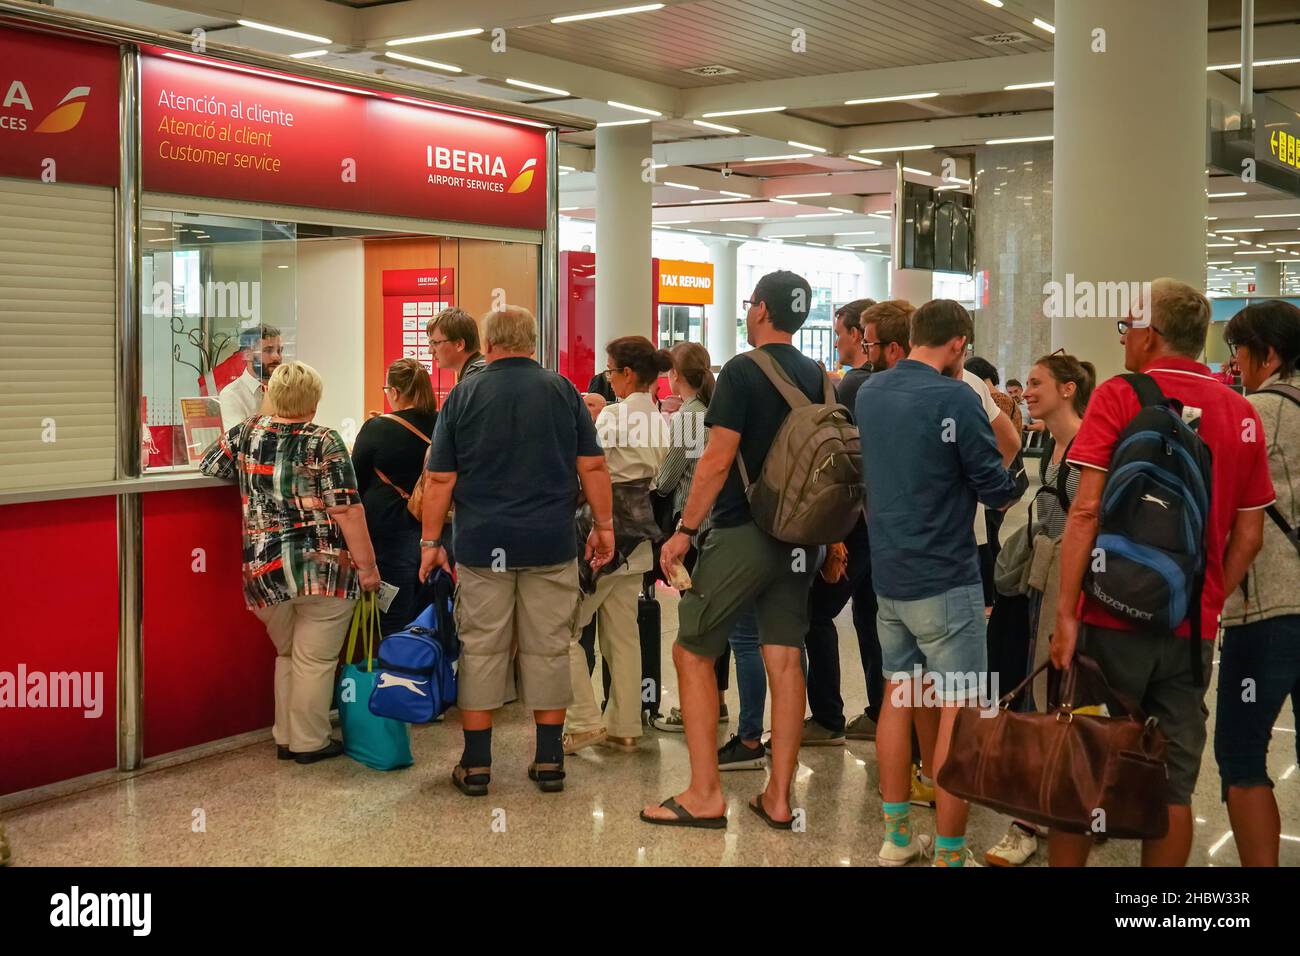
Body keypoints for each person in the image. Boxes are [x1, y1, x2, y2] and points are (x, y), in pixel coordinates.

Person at [1049, 279, 1274, 867]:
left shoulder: (1121, 395)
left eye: (1127, 326)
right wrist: (1206, 597)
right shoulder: (1242, 411)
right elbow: (1248, 533)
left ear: (1149, 333)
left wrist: (1066, 615)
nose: (1124, 338)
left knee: (1081, 770)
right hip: (1190, 629)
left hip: (1107, 614)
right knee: (1173, 784)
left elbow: (1086, 511)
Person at [643, 270, 825, 829]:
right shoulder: (819, 375)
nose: (747, 311)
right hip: (803, 537)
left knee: (691, 650)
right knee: (785, 657)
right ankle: (779, 796)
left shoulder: (745, 370)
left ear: (763, 310)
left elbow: (717, 458)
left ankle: (705, 795)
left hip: (745, 532)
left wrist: (684, 532)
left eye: (750, 303)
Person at [418, 306, 615, 796]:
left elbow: (441, 478)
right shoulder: (562, 390)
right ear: (532, 342)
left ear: (487, 344)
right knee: (549, 646)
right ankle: (549, 761)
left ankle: (477, 764)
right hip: (550, 542)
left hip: (483, 546)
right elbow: (592, 466)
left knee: (481, 647)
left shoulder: (463, 394)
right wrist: (604, 527)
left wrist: (429, 544)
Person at [856, 298, 1021, 866]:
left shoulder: (871, 392)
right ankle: (952, 854)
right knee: (957, 710)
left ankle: (897, 838)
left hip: (890, 575)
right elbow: (994, 485)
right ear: (957, 345)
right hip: (947, 578)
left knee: (899, 695)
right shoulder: (956, 395)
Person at [201, 361, 381, 763]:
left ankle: (285, 735)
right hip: (322, 572)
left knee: (289, 655)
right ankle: (309, 742)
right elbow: (348, 511)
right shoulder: (325, 441)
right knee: (315, 660)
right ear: (313, 402)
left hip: (265, 574)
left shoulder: (248, 431)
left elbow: (210, 465)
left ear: (272, 397)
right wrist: (368, 569)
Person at [984, 351, 1094, 867]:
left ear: (1068, 389)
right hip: (1041, 582)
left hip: (1064, 589)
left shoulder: (1087, 446)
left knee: (1050, 695)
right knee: (1046, 691)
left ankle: (1029, 820)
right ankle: (1064, 807)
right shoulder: (1054, 444)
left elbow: (1085, 523)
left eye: (1036, 383)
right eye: (1025, 383)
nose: (1025, 391)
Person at [1216, 300, 1300, 867]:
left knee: (1243, 755)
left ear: (1268, 354)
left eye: (1240, 352)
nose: (1235, 365)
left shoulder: (1253, 414)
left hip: (1266, 610)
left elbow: (1228, 519)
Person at [564, 337, 671, 756]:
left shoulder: (613, 415)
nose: (608, 379)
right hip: (640, 534)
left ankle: (583, 720)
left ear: (627, 374)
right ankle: (626, 726)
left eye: (610, 371)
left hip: (603, 531)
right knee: (623, 634)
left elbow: (590, 467)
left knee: (565, 629)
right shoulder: (661, 420)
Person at [802, 298, 885, 747]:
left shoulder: (854, 387)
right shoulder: (892, 385)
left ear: (858, 335)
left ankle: (828, 717)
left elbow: (838, 460)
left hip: (852, 524)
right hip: (883, 523)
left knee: (815, 613)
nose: (837, 341)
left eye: (841, 333)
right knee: (871, 617)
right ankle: (879, 710)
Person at [650, 342, 735, 733]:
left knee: (694, 623)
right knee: (717, 621)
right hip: (720, 528)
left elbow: (667, 479)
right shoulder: (717, 412)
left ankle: (692, 707)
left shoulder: (688, 418)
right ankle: (716, 700)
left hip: (692, 530)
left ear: (676, 377)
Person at [350, 358, 438, 634]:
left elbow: (355, 479)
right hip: (434, 533)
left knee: (389, 617)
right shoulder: (442, 423)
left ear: (395, 392)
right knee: (426, 610)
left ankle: (391, 672)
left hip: (388, 534)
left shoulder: (376, 428)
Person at [218, 324, 282, 431]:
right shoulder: (231, 395)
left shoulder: (286, 390)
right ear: (247, 355)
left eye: (279, 351)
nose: (277, 356)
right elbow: (239, 442)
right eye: (268, 350)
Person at [427, 307, 487, 384]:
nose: (430, 351)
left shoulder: (473, 381)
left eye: (435, 343)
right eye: (430, 343)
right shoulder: (479, 371)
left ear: (459, 344)